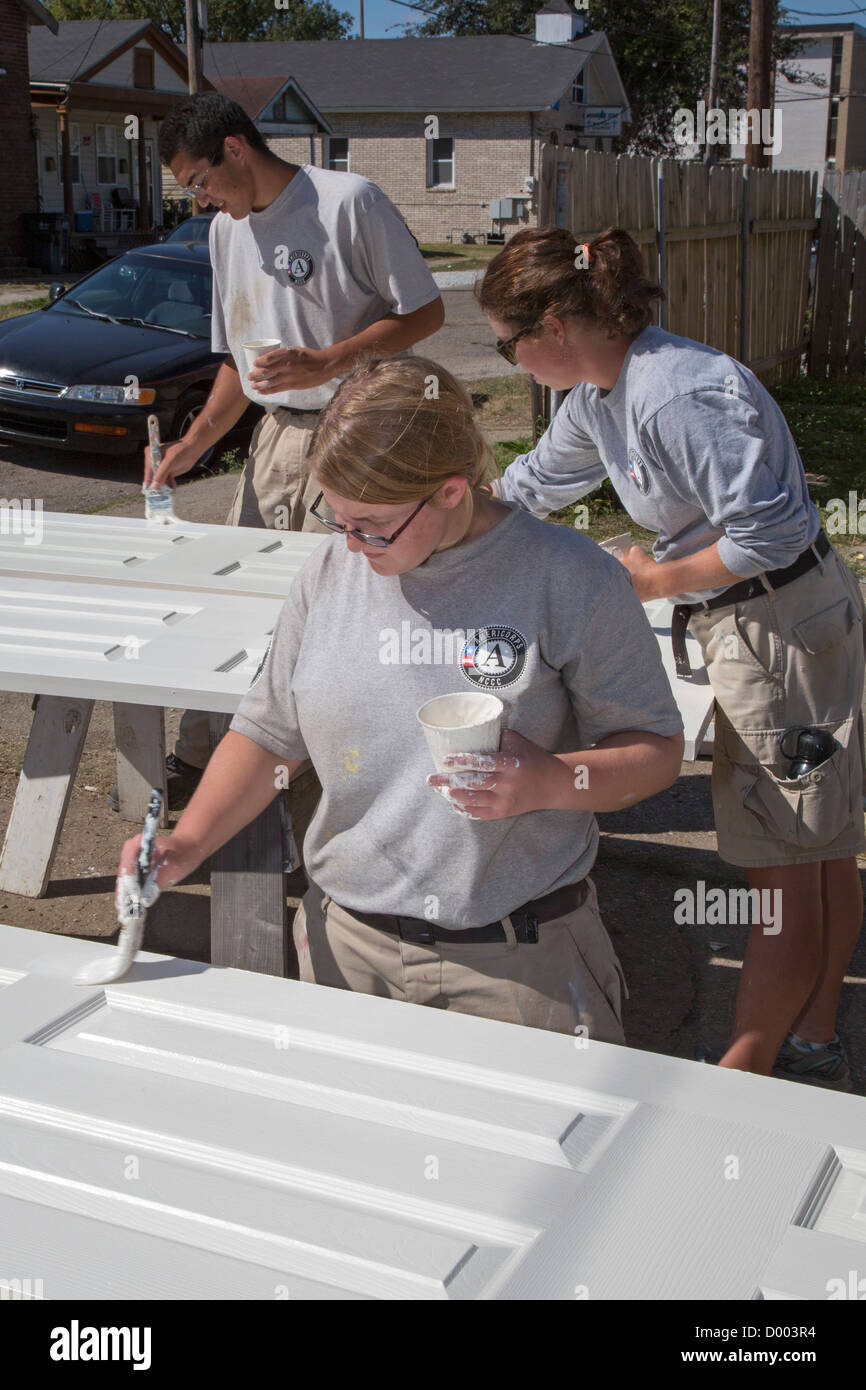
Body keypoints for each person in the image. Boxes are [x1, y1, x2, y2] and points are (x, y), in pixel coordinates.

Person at [116, 356, 684, 1043]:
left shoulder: (570, 578)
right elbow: (270, 733)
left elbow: (656, 752)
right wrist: (188, 842)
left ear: (450, 491)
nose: (352, 547)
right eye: (337, 518)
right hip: (345, 947)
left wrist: (552, 781)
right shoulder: (328, 571)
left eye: (373, 525)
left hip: (518, 961)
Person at [477, 225, 866, 1088]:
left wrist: (658, 580)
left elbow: (778, 528)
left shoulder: (676, 395)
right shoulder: (599, 393)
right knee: (817, 846)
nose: (511, 361)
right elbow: (534, 484)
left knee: (786, 866)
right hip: (763, 622)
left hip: (783, 629)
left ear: (553, 325)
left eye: (508, 345)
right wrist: (448, 516)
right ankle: (811, 1031)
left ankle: (740, 1075)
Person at [120, 93, 443, 809]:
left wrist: (332, 361)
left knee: (345, 611)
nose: (200, 200)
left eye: (200, 181)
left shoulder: (347, 201)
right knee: (243, 604)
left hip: (361, 437)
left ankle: (331, 773)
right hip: (274, 440)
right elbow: (238, 361)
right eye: (188, 190)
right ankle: (206, 761)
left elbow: (426, 311)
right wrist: (193, 443)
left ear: (236, 148)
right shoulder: (225, 234)